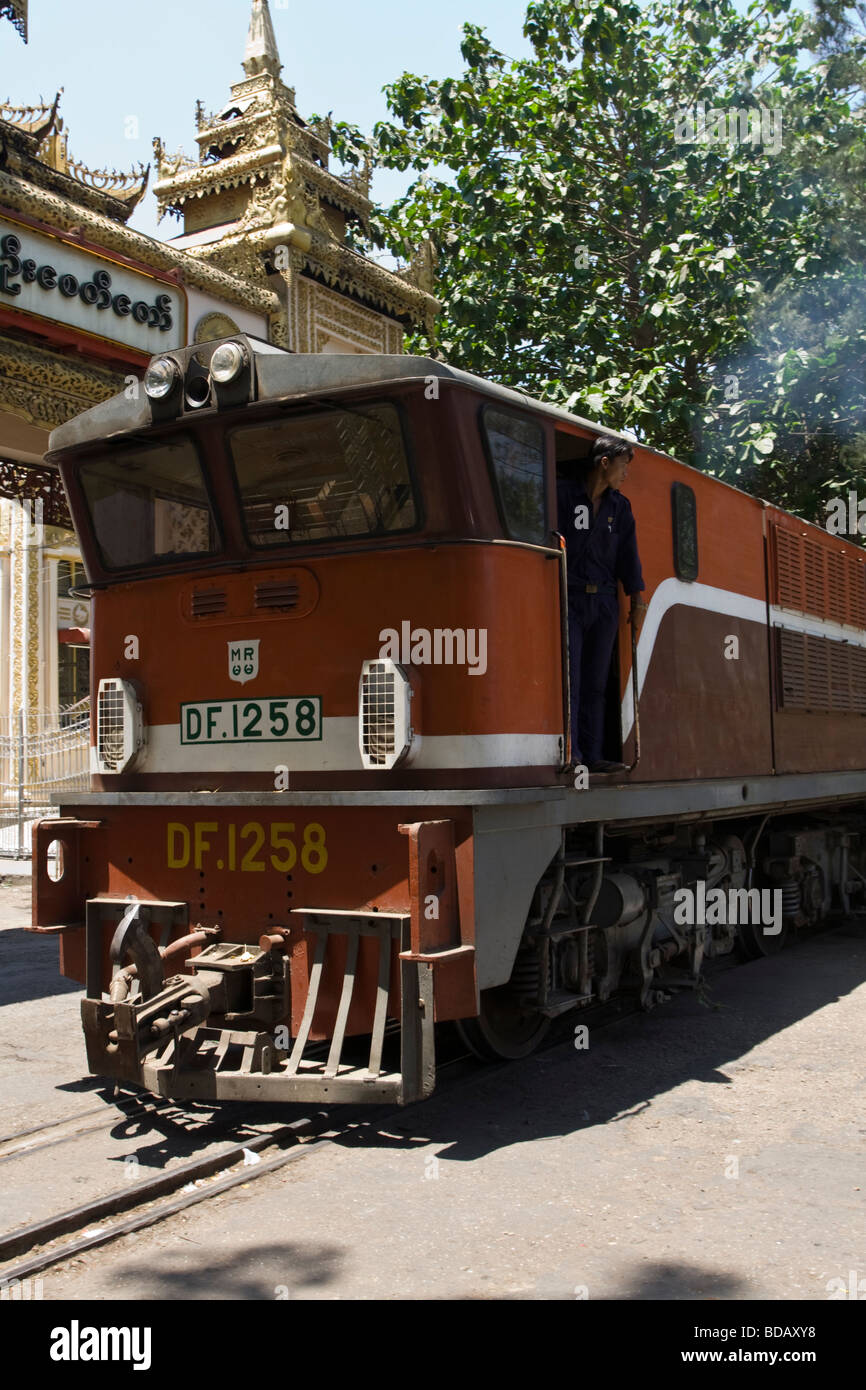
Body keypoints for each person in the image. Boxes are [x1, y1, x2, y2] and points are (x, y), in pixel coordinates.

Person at [556, 434, 647, 774]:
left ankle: (593, 756)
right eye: (623, 465)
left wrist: (637, 598)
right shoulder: (563, 495)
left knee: (596, 681)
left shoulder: (619, 507)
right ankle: (573, 752)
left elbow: (629, 557)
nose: (626, 473)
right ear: (604, 463)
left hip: (606, 602)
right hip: (572, 599)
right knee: (573, 678)